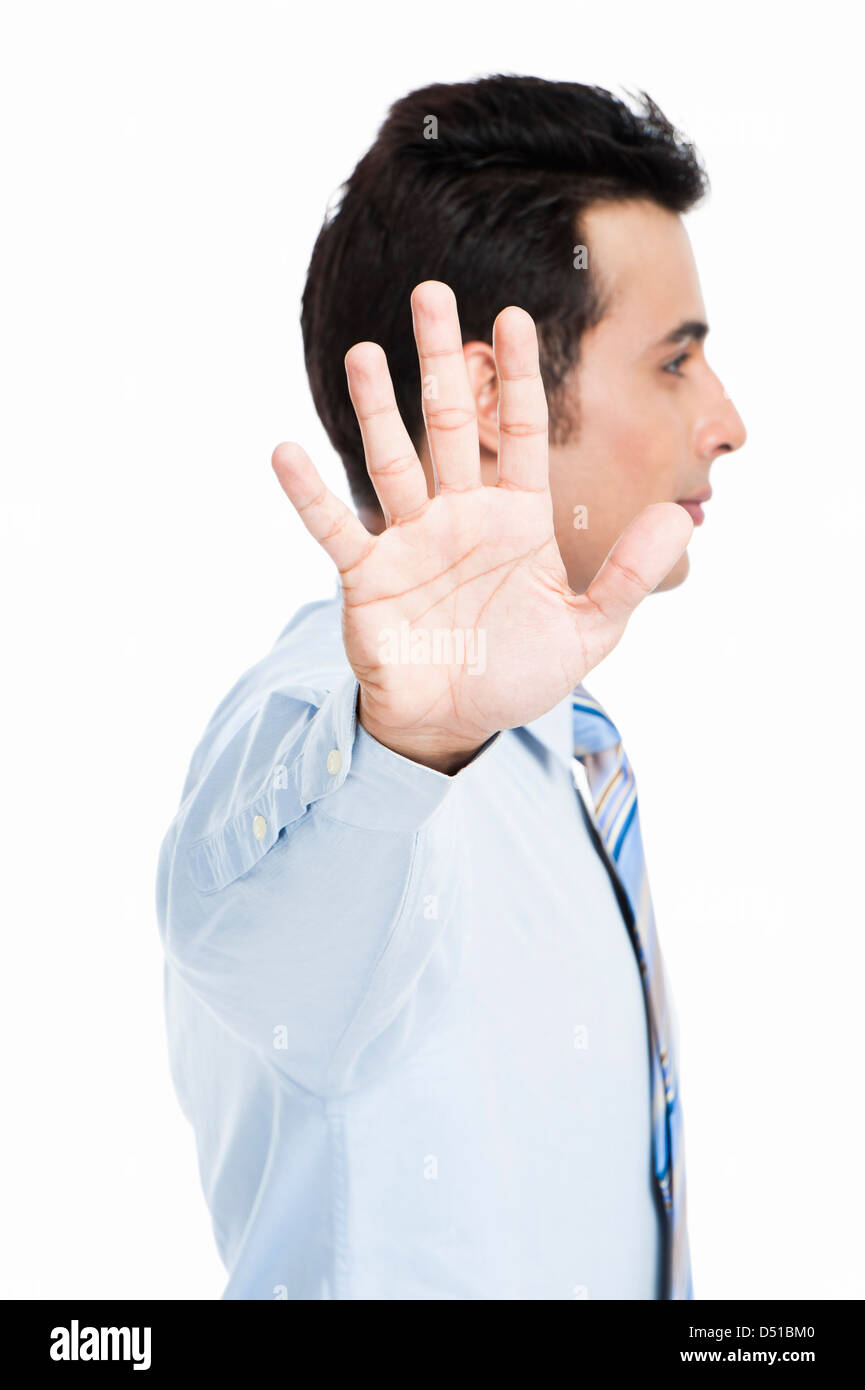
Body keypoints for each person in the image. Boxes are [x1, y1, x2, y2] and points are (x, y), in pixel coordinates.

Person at [156, 74, 746, 1300]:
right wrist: (399, 750)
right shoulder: (328, 732)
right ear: (492, 397)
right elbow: (260, 930)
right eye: (677, 362)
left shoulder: (561, 747)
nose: (728, 420)